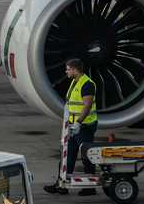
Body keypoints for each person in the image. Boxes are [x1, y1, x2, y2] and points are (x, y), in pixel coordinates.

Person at [54, 58, 98, 195]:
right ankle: (62, 185)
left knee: (87, 156)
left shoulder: (87, 84)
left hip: (84, 126)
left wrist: (78, 122)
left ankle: (90, 187)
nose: (66, 71)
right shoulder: (75, 82)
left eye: (68, 69)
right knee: (68, 156)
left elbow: (87, 105)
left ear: (75, 70)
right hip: (73, 126)